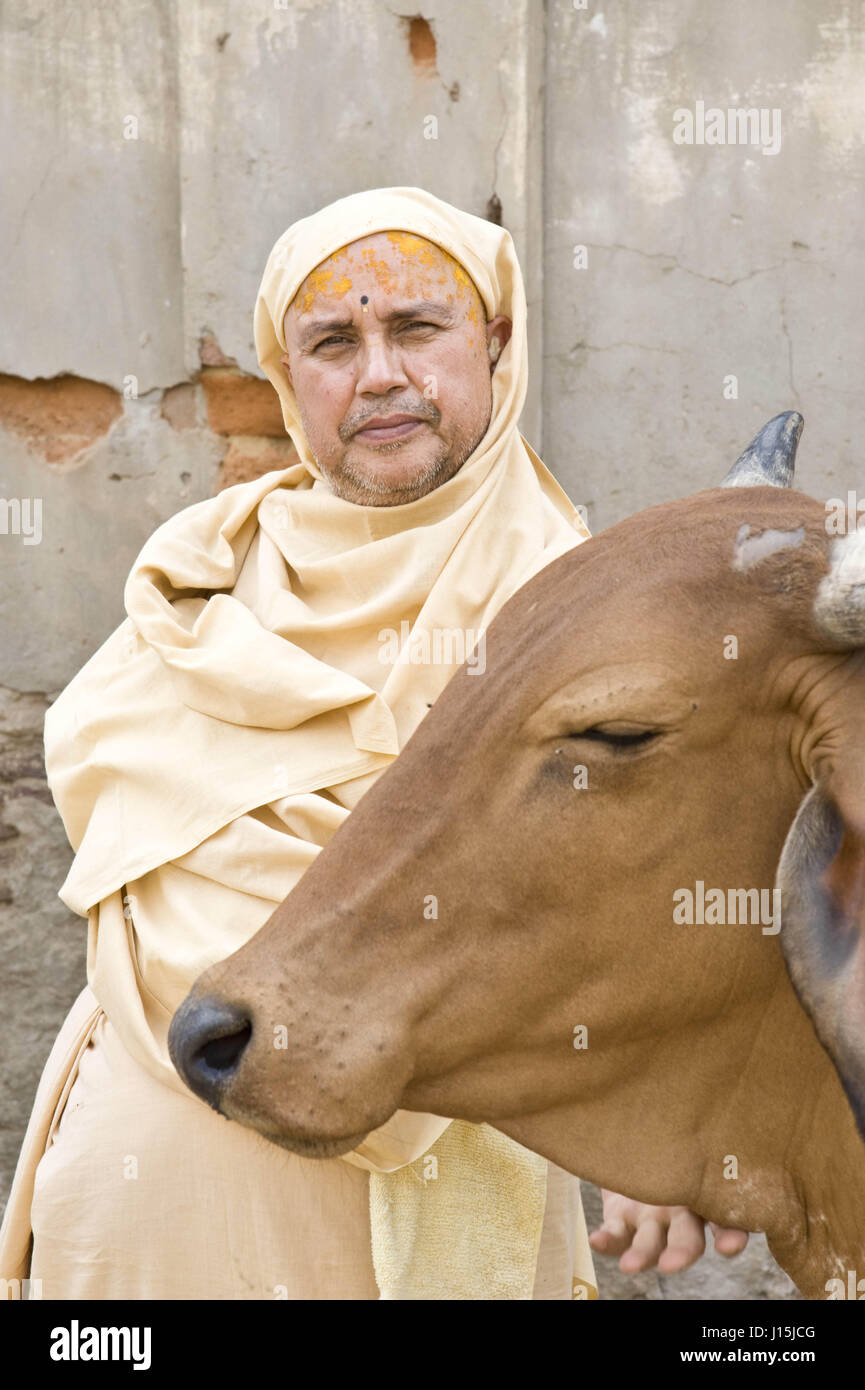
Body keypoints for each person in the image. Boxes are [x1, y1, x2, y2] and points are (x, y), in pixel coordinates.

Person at [0, 187, 747, 1299]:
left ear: (494, 344)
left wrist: (661, 1098)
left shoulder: (582, 611)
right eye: (334, 342)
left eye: (417, 328)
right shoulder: (198, 585)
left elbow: (661, 890)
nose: (382, 374)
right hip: (144, 1226)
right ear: (288, 381)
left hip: (444, 1186)